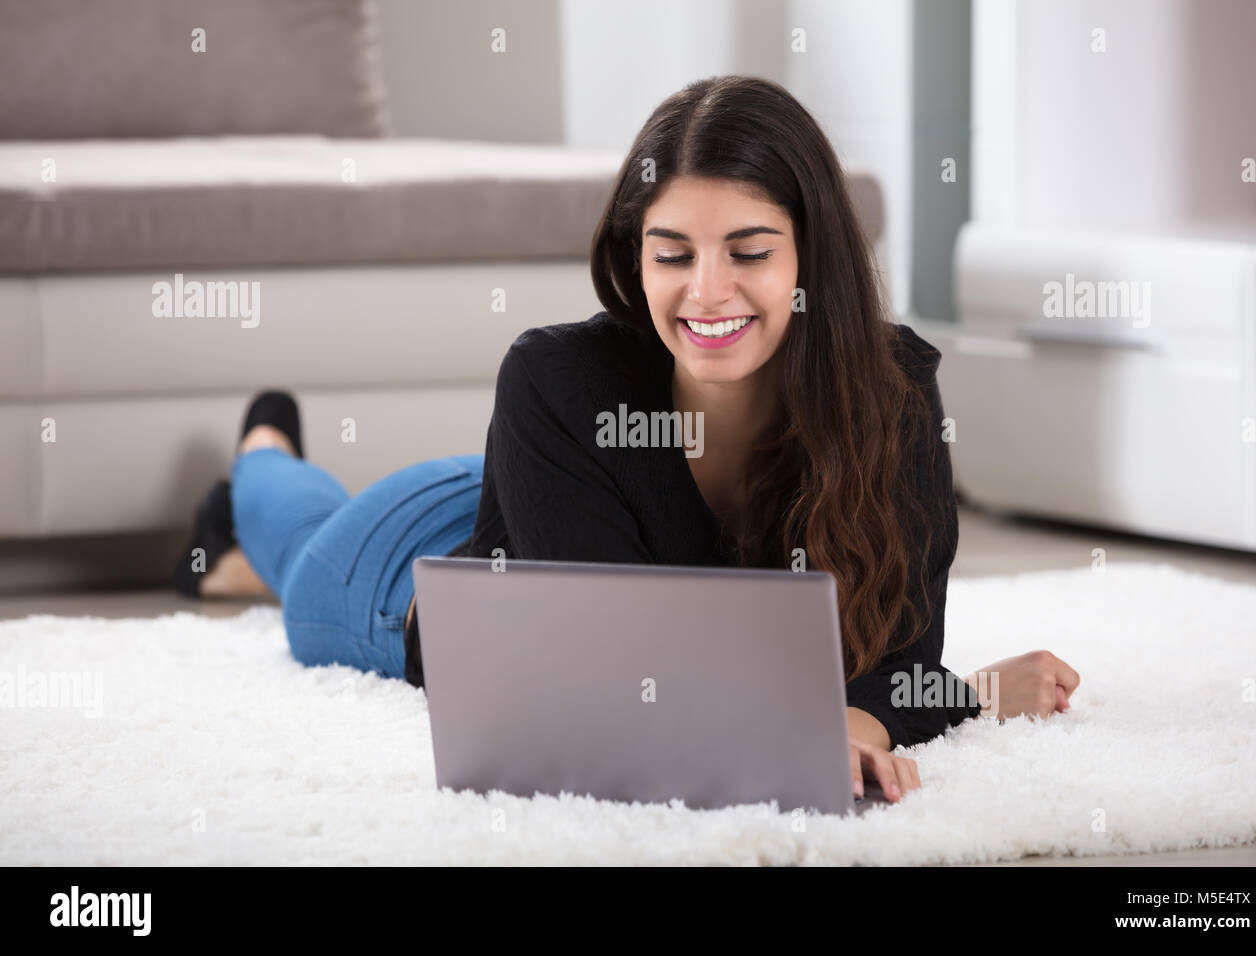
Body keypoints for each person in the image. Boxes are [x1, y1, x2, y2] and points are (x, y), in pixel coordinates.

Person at [175, 75, 1080, 804]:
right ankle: (261, 455)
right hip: (406, 564)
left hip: (548, 497)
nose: (707, 292)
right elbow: (628, 692)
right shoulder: (554, 381)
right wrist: (962, 698)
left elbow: (899, 657)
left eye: (751, 251)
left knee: (285, 559)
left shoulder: (896, 394)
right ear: (634, 253)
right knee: (300, 556)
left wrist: (867, 717)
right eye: (673, 252)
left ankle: (240, 527)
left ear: (815, 258)